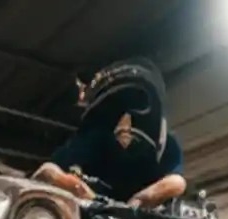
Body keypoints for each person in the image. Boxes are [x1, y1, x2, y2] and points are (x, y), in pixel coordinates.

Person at [33, 58, 187, 208]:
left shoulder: (166, 143)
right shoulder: (95, 139)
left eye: (135, 107)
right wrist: (79, 189)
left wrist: (141, 200)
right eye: (118, 109)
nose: (126, 120)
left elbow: (177, 181)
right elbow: (47, 170)